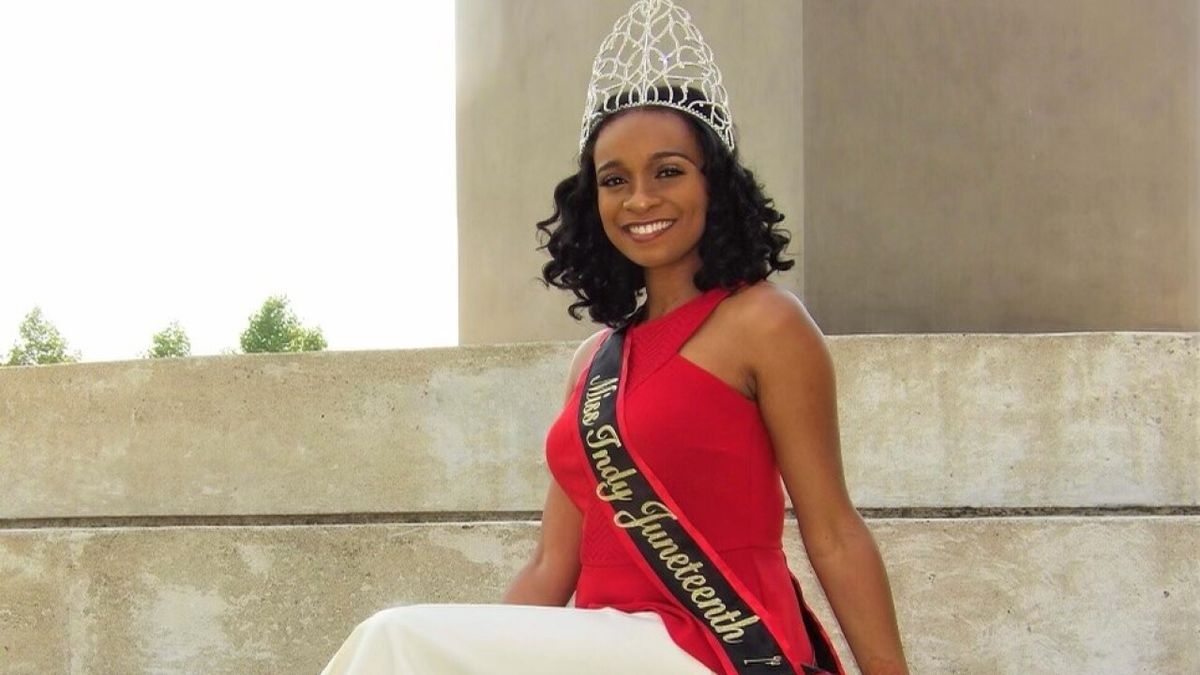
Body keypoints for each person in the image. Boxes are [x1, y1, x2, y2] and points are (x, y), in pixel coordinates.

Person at [322, 1, 908, 673]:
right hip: (604, 644)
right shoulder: (593, 362)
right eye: (614, 180)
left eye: (668, 171)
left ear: (714, 184)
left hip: (714, 647)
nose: (640, 199)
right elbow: (551, 564)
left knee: (393, 638)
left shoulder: (765, 323)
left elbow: (833, 532)